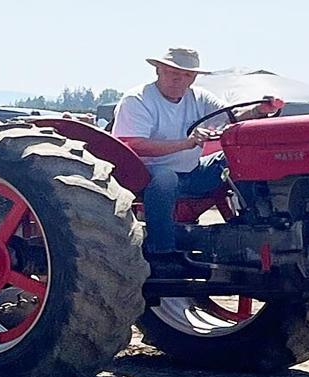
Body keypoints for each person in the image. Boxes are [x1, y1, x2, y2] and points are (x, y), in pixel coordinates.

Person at [112, 47, 283, 274]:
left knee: (237, 159)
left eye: (187, 75)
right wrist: (186, 143)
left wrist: (259, 110)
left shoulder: (199, 97)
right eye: (174, 72)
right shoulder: (138, 100)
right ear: (158, 70)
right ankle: (161, 253)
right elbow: (132, 144)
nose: (180, 80)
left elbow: (231, 116)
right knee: (165, 178)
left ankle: (255, 227)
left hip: (193, 172)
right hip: (147, 175)